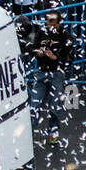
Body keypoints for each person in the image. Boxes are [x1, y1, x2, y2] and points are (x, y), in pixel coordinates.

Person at [30, 11, 74, 145]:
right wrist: (38, 52)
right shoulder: (41, 33)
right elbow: (33, 48)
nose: (48, 24)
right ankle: (30, 133)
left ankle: (53, 132)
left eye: (52, 21)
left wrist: (56, 58)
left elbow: (70, 56)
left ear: (58, 23)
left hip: (56, 74)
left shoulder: (65, 35)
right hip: (42, 72)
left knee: (55, 105)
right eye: (47, 20)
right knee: (35, 104)